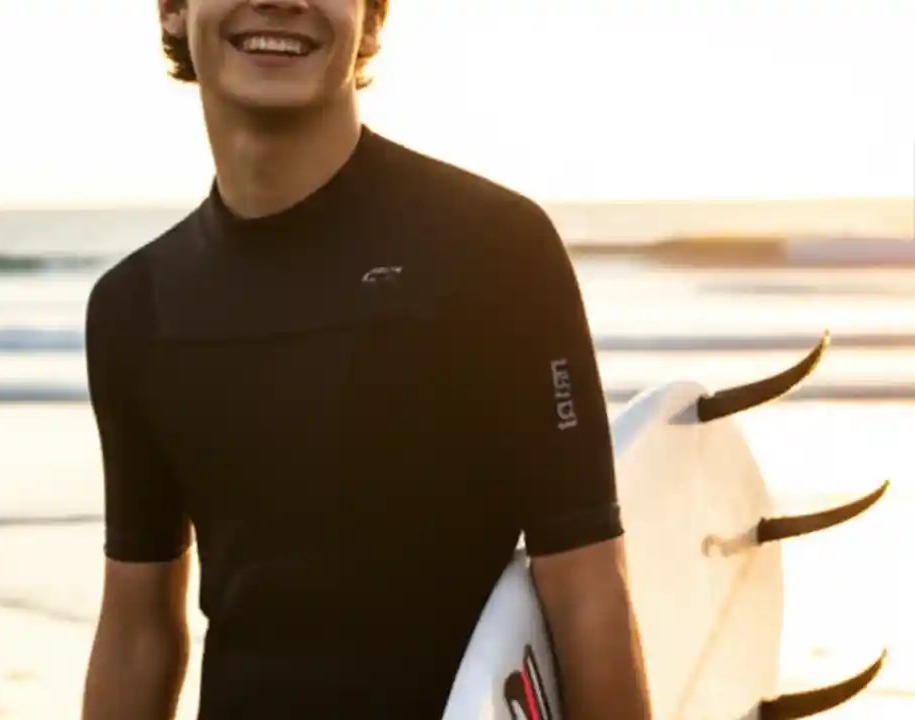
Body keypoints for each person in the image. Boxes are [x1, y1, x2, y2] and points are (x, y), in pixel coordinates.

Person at [81, 1, 652, 718]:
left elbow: (586, 587)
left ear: (372, 21)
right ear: (172, 10)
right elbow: (138, 633)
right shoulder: (136, 309)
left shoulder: (493, 248)